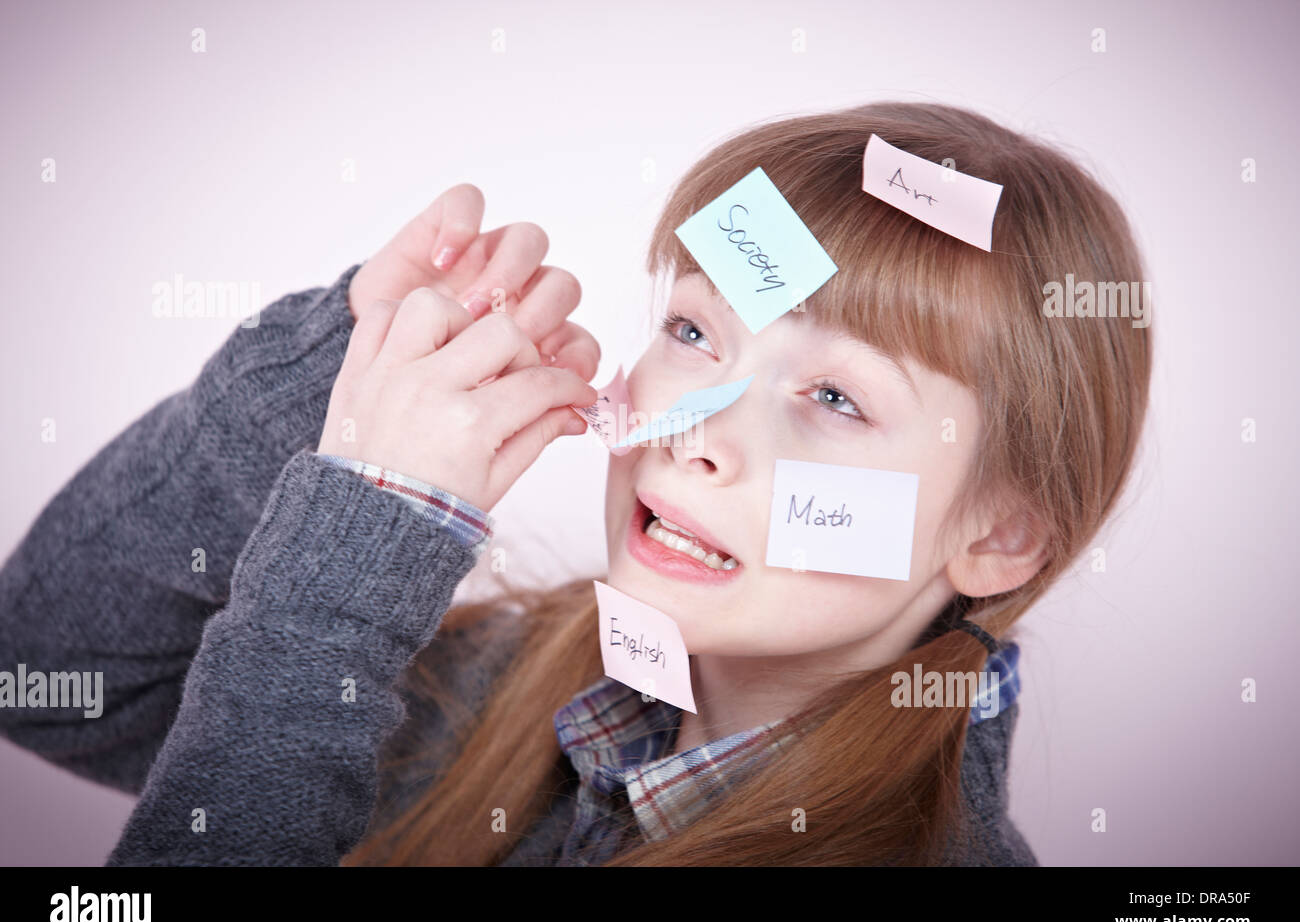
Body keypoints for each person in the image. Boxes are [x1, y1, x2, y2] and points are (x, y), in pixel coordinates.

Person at [0, 101, 1152, 866]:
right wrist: (333, 376)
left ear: (1000, 538)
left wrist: (359, 559)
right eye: (697, 332)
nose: (696, 432)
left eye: (837, 398)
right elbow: (49, 678)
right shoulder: (499, 678)